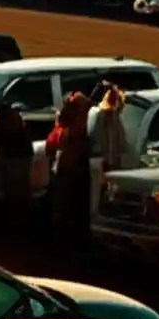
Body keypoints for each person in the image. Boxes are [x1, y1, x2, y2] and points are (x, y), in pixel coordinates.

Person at [48, 92, 95, 262]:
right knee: (70, 211)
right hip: (70, 171)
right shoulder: (73, 127)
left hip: (66, 170)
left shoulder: (65, 125)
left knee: (67, 211)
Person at [0, 102, 35, 229]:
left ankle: (12, 224)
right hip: (21, 161)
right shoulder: (19, 123)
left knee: (10, 196)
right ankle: (23, 223)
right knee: (22, 193)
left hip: (9, 162)